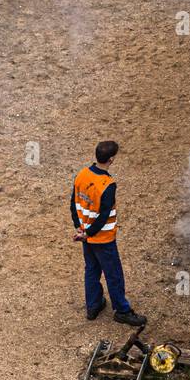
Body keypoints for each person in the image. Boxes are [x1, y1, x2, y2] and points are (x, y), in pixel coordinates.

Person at [70, 140, 145, 327]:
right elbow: (103, 216)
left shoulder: (82, 175)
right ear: (111, 159)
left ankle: (93, 306)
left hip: (85, 233)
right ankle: (122, 310)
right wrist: (89, 234)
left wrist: (80, 228)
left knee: (92, 270)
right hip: (102, 238)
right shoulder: (108, 184)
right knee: (114, 274)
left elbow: (73, 203)